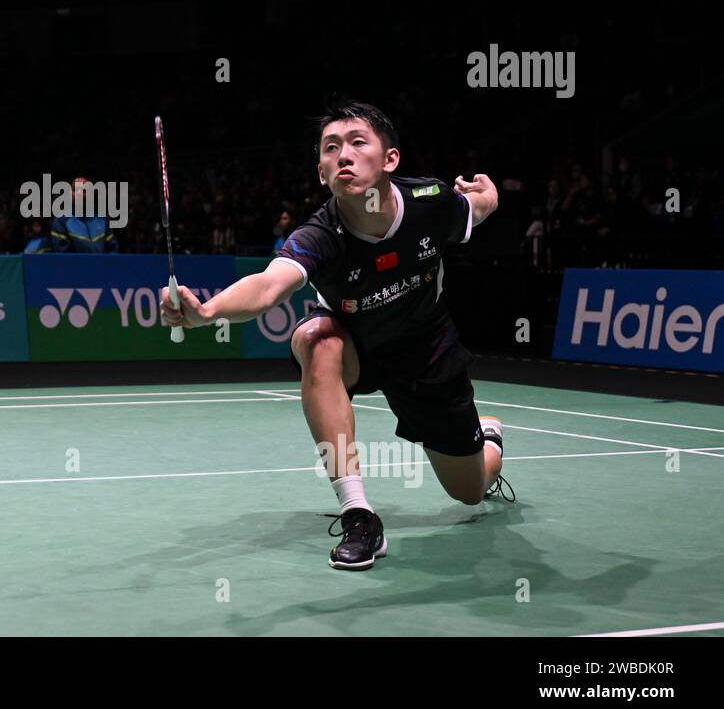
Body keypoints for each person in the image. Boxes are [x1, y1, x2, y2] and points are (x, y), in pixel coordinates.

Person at [161, 100, 510, 571]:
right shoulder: (320, 236)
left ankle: (488, 439)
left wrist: (488, 194)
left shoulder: (430, 203)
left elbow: (477, 208)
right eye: (331, 147)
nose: (343, 155)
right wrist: (207, 312)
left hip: (426, 349)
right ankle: (359, 515)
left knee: (470, 492)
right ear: (321, 171)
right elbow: (268, 286)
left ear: (390, 159)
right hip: (357, 348)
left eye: (357, 142)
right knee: (314, 340)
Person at [50, 177, 119, 252]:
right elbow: (63, 254)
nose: (79, 193)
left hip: (102, 264)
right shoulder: (61, 221)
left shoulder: (102, 220)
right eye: (75, 190)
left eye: (84, 190)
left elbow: (113, 249)